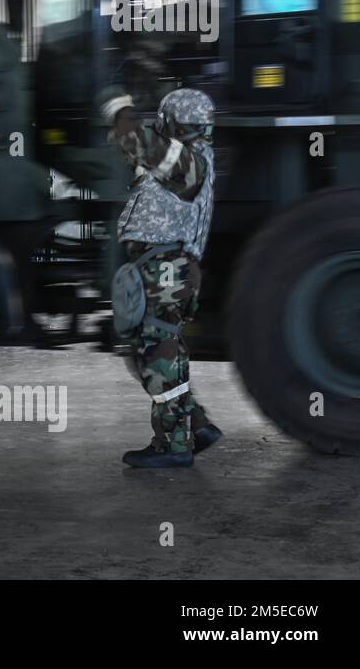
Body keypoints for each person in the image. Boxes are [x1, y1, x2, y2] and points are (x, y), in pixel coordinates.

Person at [100, 86, 224, 468]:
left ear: (176, 122)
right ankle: (195, 426)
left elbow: (139, 140)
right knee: (149, 351)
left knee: (158, 351)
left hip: (166, 267)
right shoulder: (188, 159)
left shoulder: (189, 162)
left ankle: (173, 444)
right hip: (161, 265)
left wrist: (118, 106)